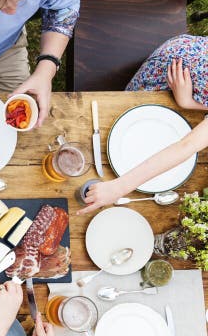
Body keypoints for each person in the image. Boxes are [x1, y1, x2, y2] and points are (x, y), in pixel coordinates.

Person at [79, 35, 208, 214]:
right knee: (124, 112)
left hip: (188, 87)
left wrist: (189, 103)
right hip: (168, 73)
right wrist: (119, 188)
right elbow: (187, 145)